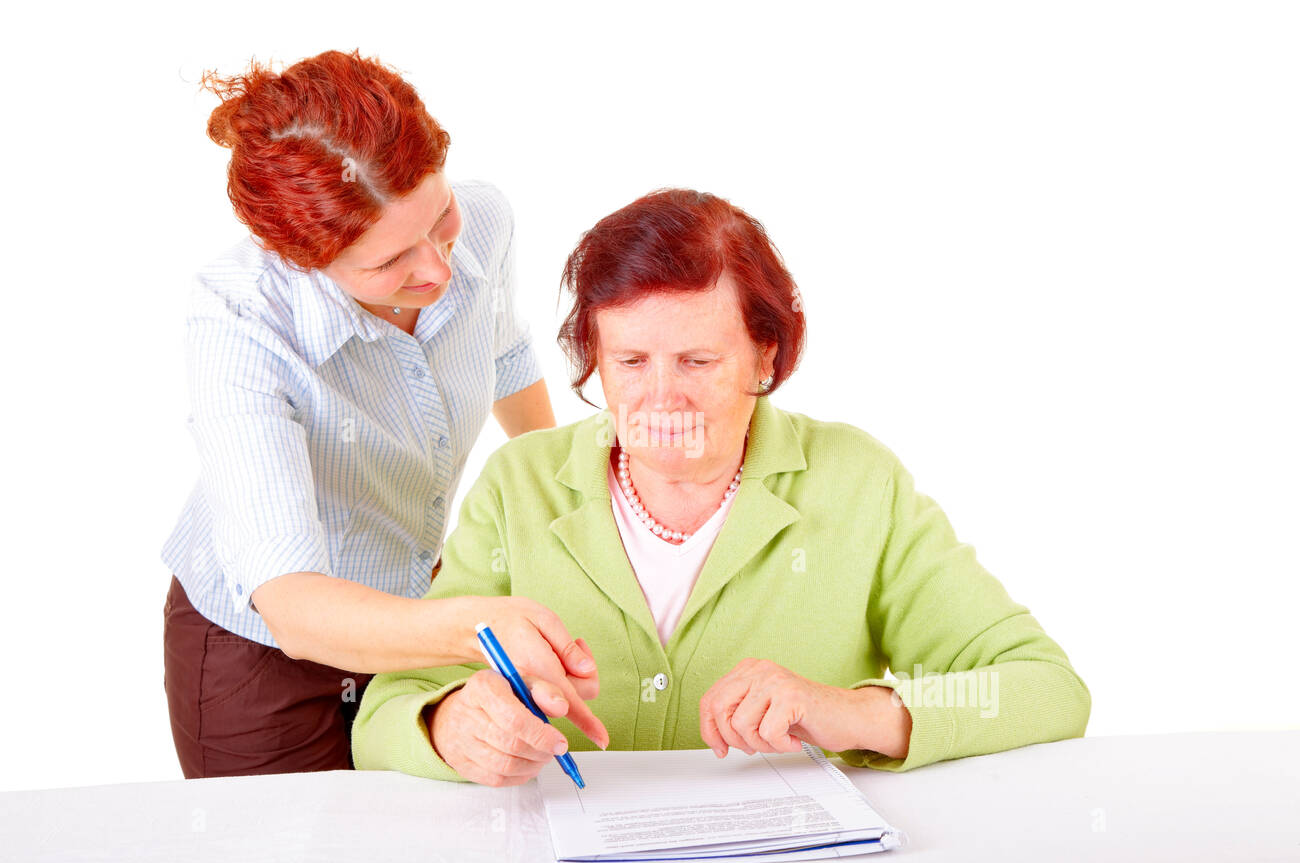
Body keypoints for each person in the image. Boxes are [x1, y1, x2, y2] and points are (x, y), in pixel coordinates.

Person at [351, 188, 1090, 786]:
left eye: (698, 361)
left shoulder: (856, 481)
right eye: (631, 361)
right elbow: (386, 712)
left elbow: (1041, 688)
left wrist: (846, 712)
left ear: (764, 353)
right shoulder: (521, 483)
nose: (661, 398)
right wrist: (449, 725)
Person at [160, 49, 603, 779]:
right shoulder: (238, 321)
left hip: (416, 604)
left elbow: (501, 351)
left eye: (440, 221)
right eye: (391, 263)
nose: (437, 268)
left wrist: (566, 501)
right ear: (302, 258)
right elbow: (293, 607)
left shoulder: (484, 222)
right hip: (259, 647)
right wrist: (479, 627)